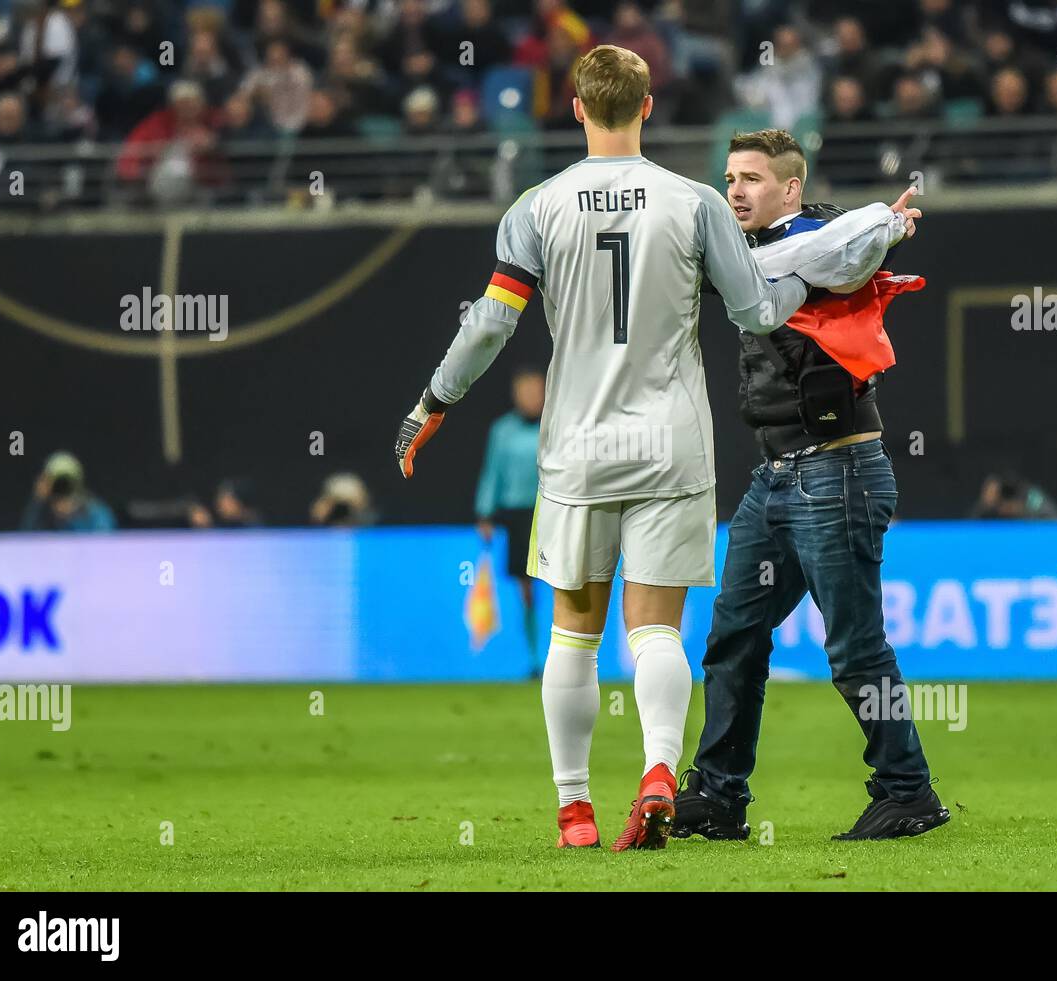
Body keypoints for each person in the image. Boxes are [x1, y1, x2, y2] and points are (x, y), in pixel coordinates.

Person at [393, 45, 916, 851]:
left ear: (574, 108)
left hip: (577, 444)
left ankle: (574, 813)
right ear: (646, 108)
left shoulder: (538, 205)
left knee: (574, 631)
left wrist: (435, 400)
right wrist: (824, 271)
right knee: (660, 631)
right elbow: (755, 310)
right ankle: (665, 773)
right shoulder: (695, 200)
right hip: (672, 443)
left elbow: (493, 322)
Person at [672, 129, 950, 842]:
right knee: (733, 634)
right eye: (730, 177)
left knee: (856, 647)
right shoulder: (753, 255)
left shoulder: (828, 242)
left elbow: (849, 244)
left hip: (838, 469)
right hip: (775, 477)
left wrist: (883, 224)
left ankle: (908, 789)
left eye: (754, 179)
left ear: (791, 189)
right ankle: (720, 795)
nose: (736, 189)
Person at [474, 368, 546, 678]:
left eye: (536, 391)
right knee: (526, 588)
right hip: (519, 514)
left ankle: (568, 656)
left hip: (554, 509)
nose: (531, 398)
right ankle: (534, 658)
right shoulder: (502, 431)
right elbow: (493, 473)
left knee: (567, 583)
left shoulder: (557, 425)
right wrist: (485, 514)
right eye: (525, 392)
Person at [20, 452, 116, 532]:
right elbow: (27, 542)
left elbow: (104, 544)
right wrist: (38, 501)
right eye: (56, 483)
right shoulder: (43, 514)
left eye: (66, 482)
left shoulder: (96, 512)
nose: (61, 488)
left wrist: (73, 518)